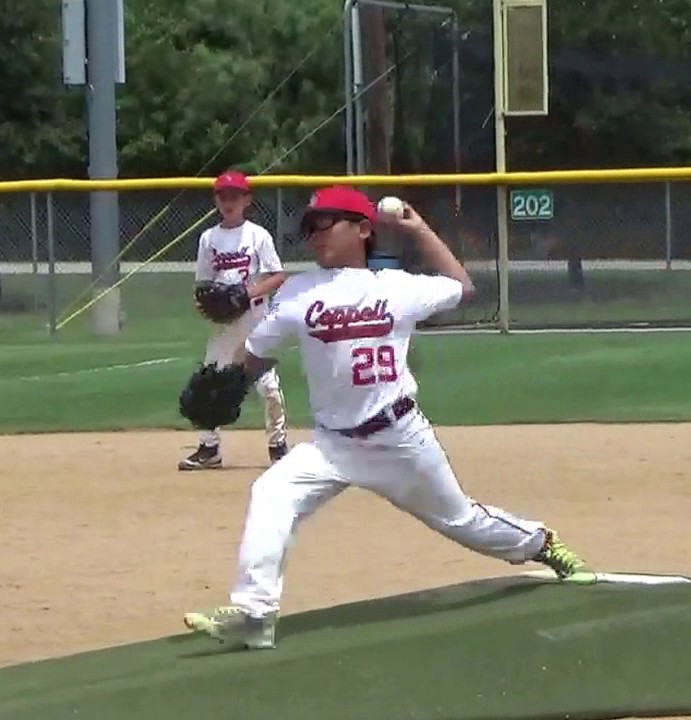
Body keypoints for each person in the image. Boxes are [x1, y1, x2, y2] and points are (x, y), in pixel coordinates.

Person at [182, 185, 596, 649]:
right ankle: (255, 616)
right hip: (332, 445)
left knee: (462, 520)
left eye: (326, 223)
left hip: (400, 439)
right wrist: (227, 380)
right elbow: (256, 352)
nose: (315, 234)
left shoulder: (398, 287)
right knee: (272, 492)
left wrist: (417, 229)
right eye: (310, 227)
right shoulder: (299, 290)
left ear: (362, 229)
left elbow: (463, 287)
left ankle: (541, 543)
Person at [179, 169, 289, 471]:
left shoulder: (257, 235)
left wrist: (247, 293)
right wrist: (206, 304)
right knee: (209, 385)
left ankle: (278, 446)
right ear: (216, 200)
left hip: (255, 320)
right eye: (222, 196)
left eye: (235, 196)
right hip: (225, 326)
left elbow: (277, 276)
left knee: (267, 386)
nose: (228, 201)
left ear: (247, 200)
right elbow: (202, 283)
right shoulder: (208, 238)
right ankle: (208, 447)